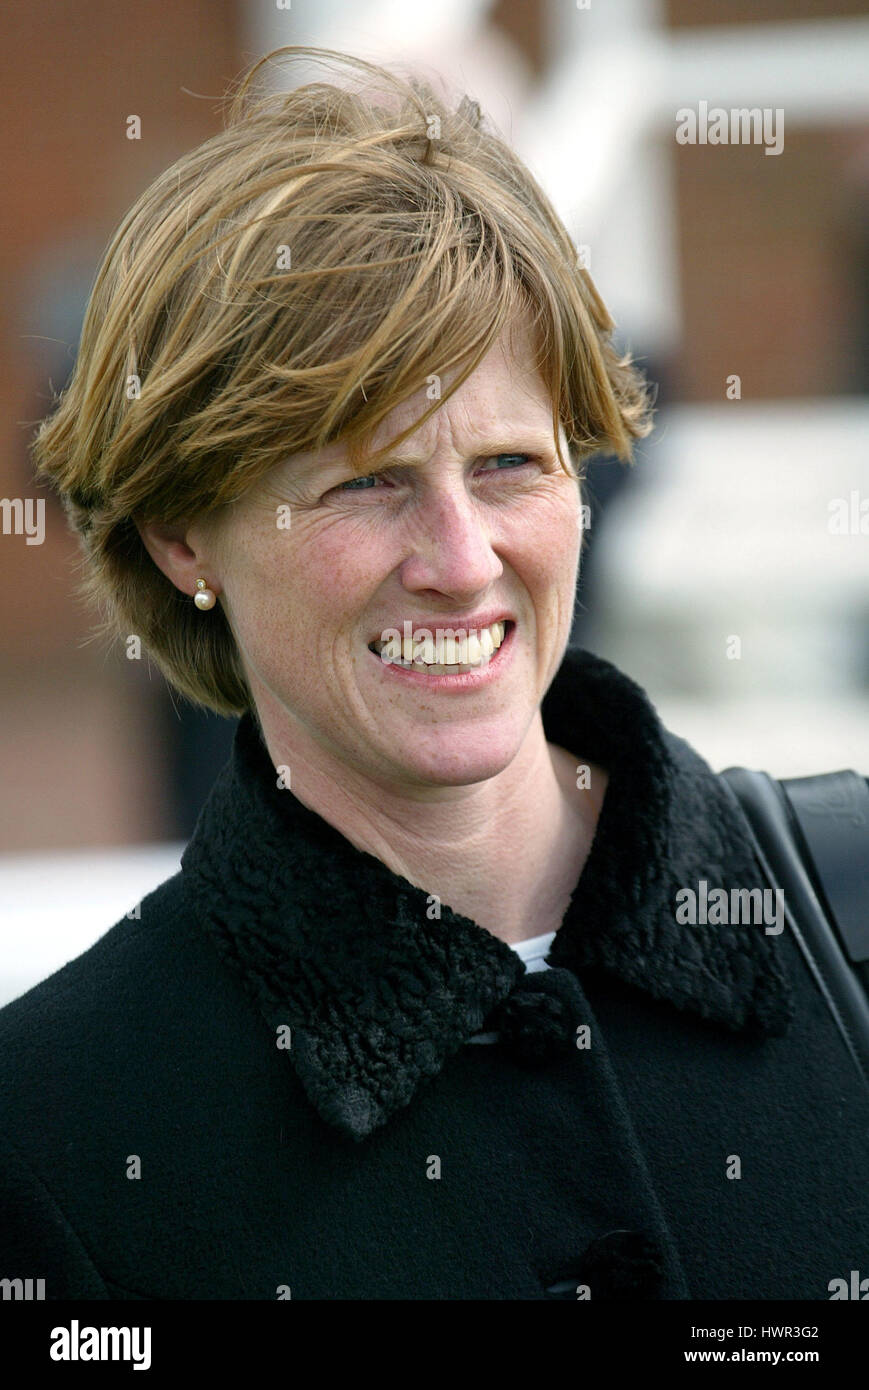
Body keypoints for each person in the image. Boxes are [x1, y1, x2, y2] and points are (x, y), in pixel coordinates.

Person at [1, 45, 866, 1302]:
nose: (461, 563)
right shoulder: (61, 1133)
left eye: (510, 465)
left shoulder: (845, 908)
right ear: (181, 536)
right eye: (367, 482)